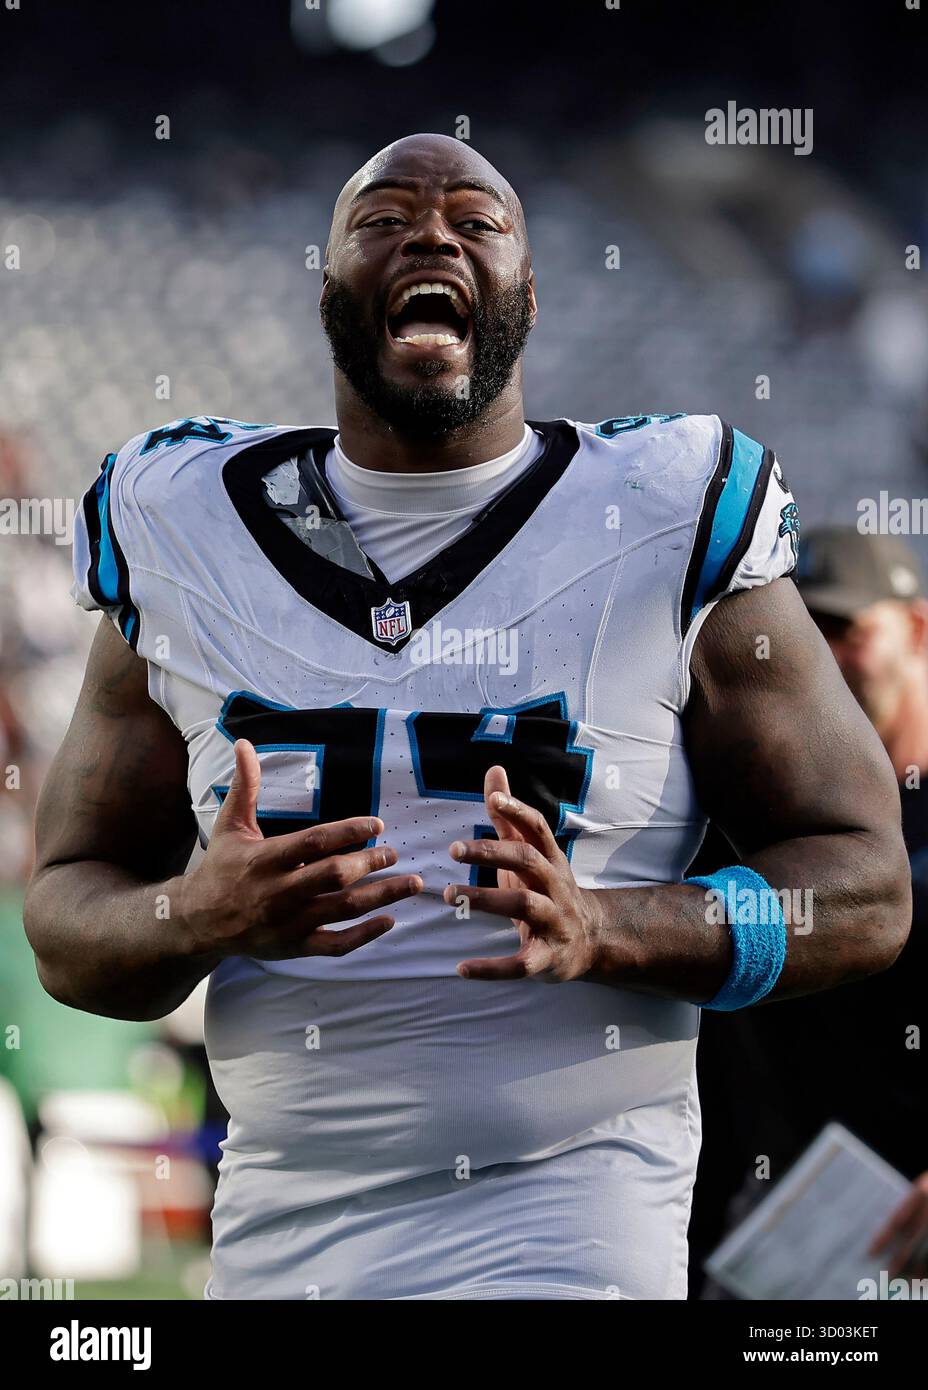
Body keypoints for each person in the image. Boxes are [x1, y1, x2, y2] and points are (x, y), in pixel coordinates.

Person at [23, 135, 909, 1301]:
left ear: (529, 296)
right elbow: (65, 917)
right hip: (277, 1236)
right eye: (382, 219)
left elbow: (864, 887)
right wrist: (198, 913)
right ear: (330, 291)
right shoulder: (178, 520)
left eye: (476, 222)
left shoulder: (666, 505)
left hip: (571, 1223)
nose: (431, 233)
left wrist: (610, 925)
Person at [692, 528, 928, 1291]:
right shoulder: (733, 828)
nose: (822, 656)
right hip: (778, 1254)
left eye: (847, 630)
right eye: (804, 634)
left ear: (917, 630)